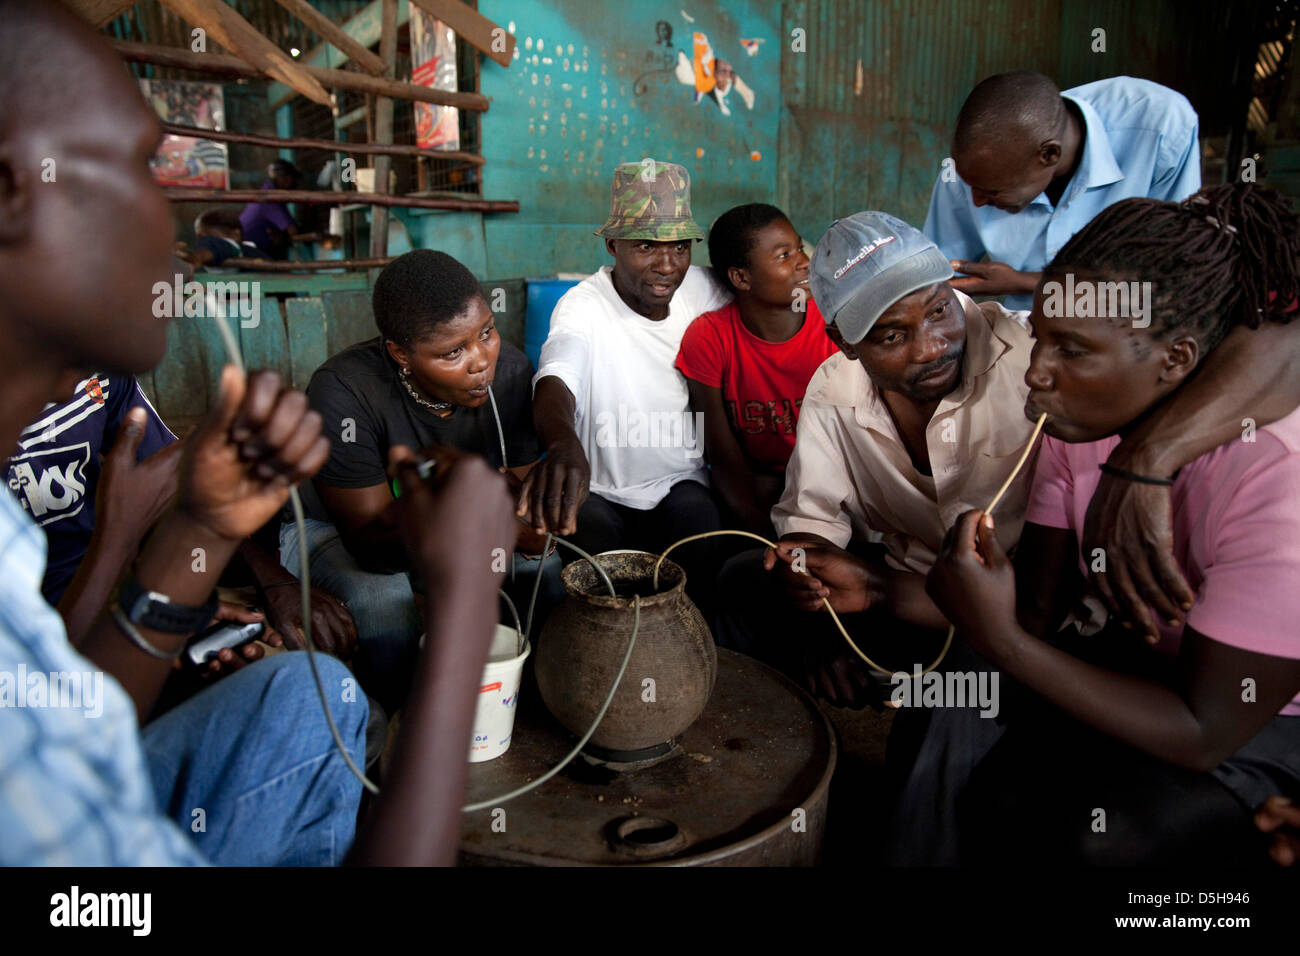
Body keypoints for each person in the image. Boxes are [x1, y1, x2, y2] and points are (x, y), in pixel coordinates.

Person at [0, 0, 514, 867]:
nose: (176, 232)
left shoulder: (90, 416)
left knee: (317, 701)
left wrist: (198, 532)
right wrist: (463, 604)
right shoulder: (348, 386)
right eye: (135, 169)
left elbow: (66, 721)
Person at [715, 207, 1300, 718]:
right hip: (908, 588)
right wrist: (816, 609)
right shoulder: (834, 387)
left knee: (958, 709)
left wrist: (1147, 460)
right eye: (892, 337)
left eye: (939, 311)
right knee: (742, 578)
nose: (931, 345)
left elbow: (1270, 343)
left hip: (1015, 600)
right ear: (844, 339)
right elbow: (811, 520)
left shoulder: (1038, 361)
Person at [922, 184, 1300, 866]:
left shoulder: (1276, 474)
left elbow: (1204, 730)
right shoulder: (1076, 429)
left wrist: (1000, 638)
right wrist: (991, 620)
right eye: (1040, 338)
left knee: (1104, 837)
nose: (1036, 373)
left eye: (1072, 348)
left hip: (1259, 725)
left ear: (1176, 359)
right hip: (1149, 669)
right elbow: (1039, 611)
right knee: (955, 707)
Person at [287, 248, 559, 712]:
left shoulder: (510, 373)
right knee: (384, 602)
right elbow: (373, 547)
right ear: (400, 354)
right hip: (336, 532)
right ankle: (400, 728)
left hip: (453, 520)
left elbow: (536, 534)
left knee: (542, 571)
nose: (480, 362)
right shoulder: (343, 392)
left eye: (487, 333)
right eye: (453, 352)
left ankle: (530, 700)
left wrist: (486, 517)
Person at [521, 161, 732, 616]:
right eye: (645, 247)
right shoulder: (583, 305)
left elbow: (762, 293)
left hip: (680, 483)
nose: (666, 265)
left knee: (702, 534)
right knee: (592, 561)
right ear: (613, 245)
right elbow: (557, 376)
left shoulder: (701, 288)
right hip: (604, 491)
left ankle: (697, 661)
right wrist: (560, 444)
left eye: (679, 247)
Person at [924, 71, 1200, 309]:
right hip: (1023, 333)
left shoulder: (1159, 128)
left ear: (1049, 155)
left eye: (993, 192)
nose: (977, 201)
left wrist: (1029, 283)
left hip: (1127, 331)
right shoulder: (973, 167)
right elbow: (932, 282)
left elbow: (1170, 282)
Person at [675, 203, 836, 535]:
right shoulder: (709, 337)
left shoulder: (834, 325)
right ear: (741, 277)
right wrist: (758, 529)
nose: (804, 262)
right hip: (756, 481)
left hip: (833, 480)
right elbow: (719, 451)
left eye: (799, 247)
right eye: (783, 256)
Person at [239, 159, 302, 260]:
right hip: (250, 251)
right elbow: (293, 231)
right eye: (293, 179)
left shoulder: (272, 193)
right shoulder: (270, 198)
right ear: (285, 179)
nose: (295, 184)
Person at [180, 208, 261, 272]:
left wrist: (195, 257)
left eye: (206, 237)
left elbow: (219, 246)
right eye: (200, 238)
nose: (201, 243)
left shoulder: (240, 250)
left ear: (235, 235)